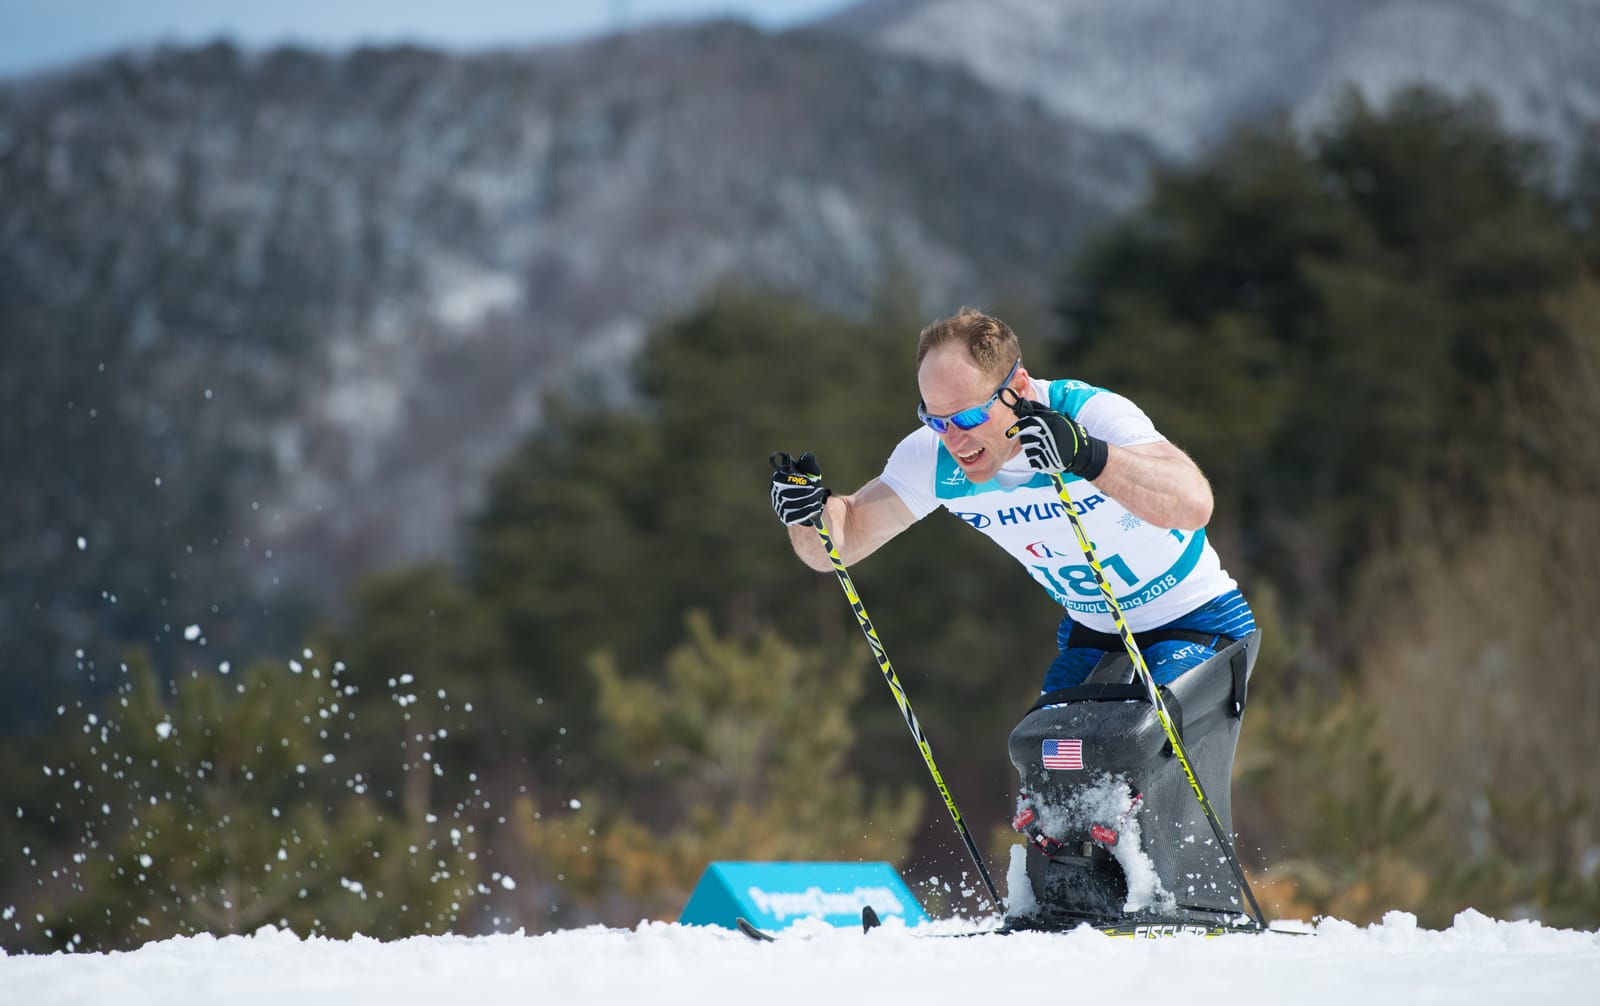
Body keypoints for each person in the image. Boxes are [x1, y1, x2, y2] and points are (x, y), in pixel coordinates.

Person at [769, 307, 1254, 693]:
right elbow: (839, 543)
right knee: (1050, 769)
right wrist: (808, 513)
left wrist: (1090, 457)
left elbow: (1192, 505)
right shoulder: (933, 457)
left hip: (1199, 620)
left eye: (968, 416)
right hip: (1095, 636)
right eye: (935, 419)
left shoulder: (1086, 413)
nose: (954, 439)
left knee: (1133, 754)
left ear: (1017, 388)